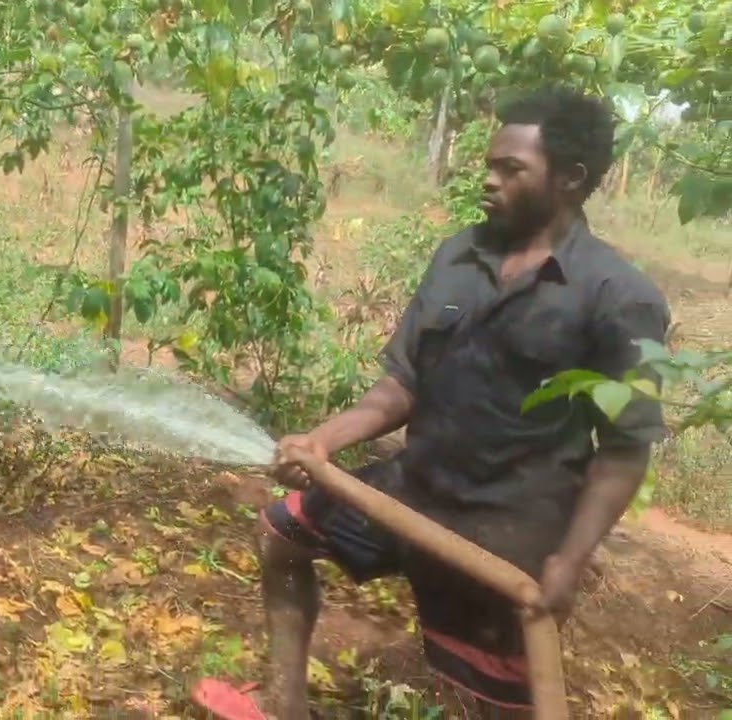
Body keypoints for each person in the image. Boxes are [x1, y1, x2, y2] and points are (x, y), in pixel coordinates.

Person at [191, 85, 670, 720]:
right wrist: (324, 440)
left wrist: (569, 561)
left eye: (511, 169)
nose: (489, 180)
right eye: (488, 165)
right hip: (411, 490)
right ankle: (286, 703)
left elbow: (622, 453)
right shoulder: (458, 257)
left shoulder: (619, 297)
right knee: (282, 535)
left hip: (504, 533)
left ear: (571, 180)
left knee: (488, 702)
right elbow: (402, 386)